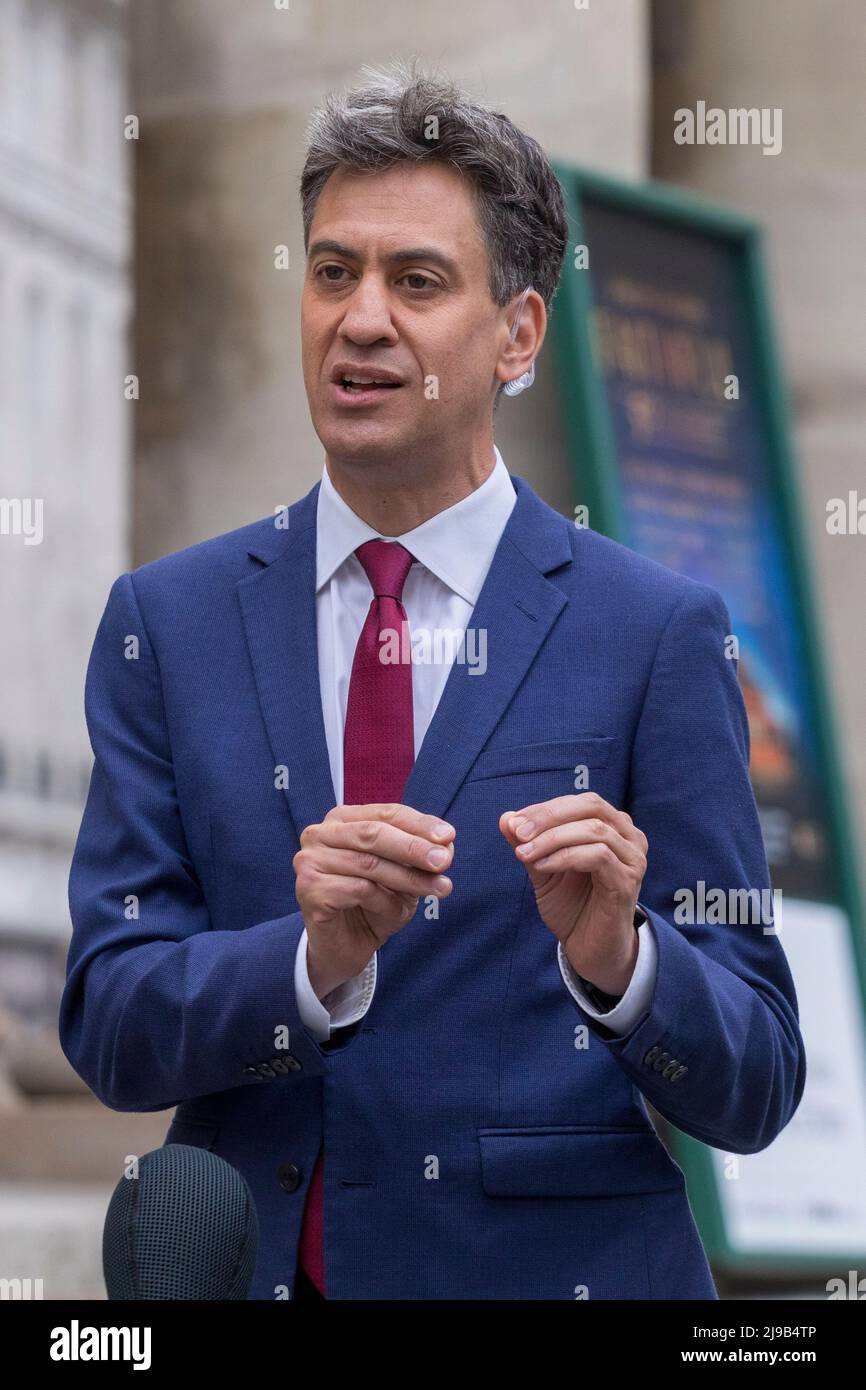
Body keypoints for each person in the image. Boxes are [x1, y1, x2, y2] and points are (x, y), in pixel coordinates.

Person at [60, 61, 805, 1301]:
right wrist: (306, 961)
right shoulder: (167, 622)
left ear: (517, 333)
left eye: (415, 282)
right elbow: (109, 1018)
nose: (359, 319)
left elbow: (760, 1077)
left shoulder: (657, 631)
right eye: (332, 271)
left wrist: (620, 959)